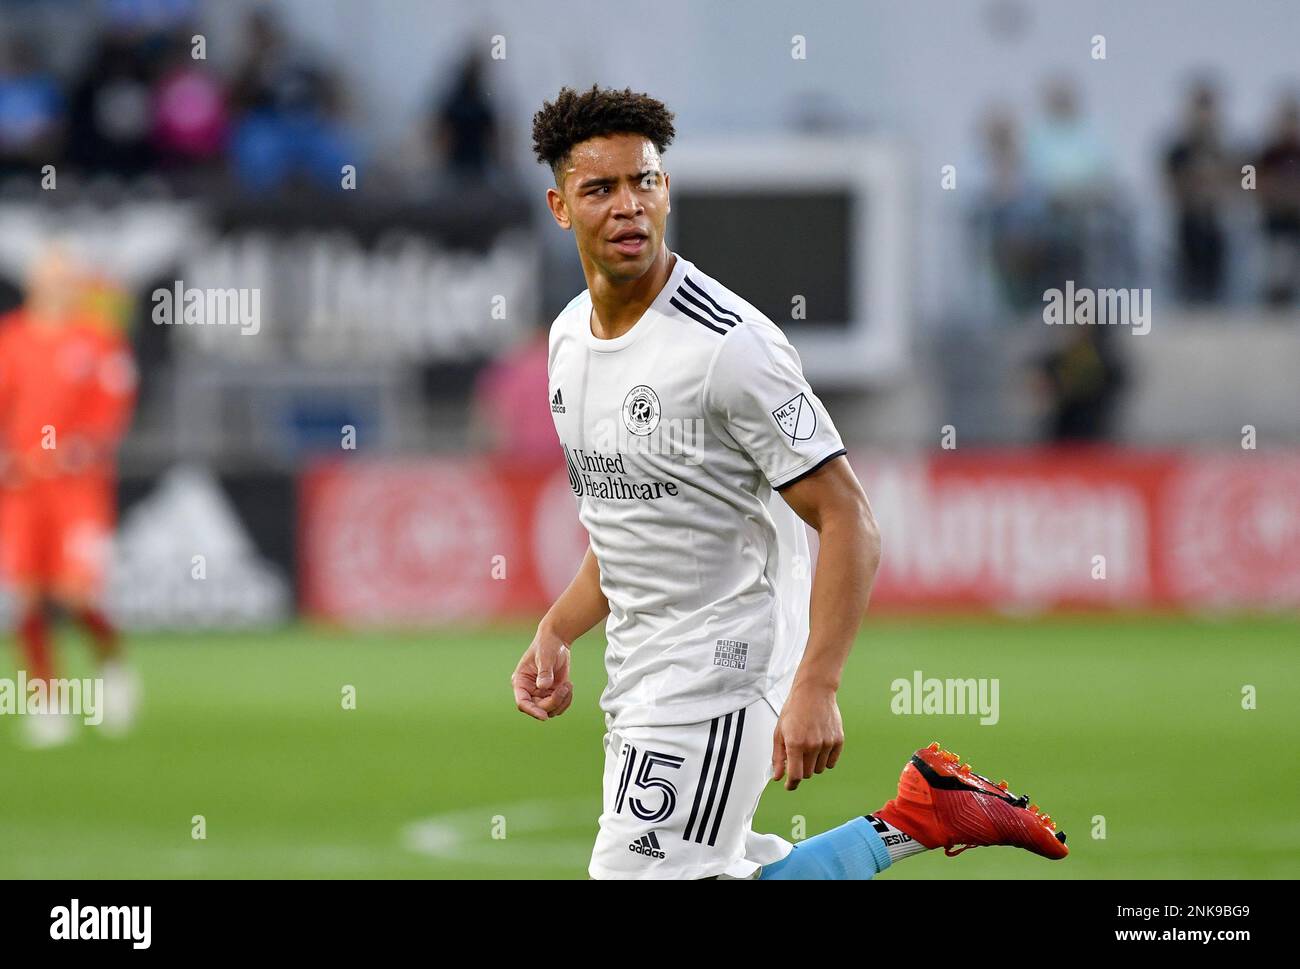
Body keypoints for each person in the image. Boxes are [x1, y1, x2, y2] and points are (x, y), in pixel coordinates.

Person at [513, 85, 1068, 879]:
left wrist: (817, 683)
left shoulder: (730, 347)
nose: (629, 205)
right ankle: (922, 813)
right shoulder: (568, 340)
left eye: (645, 181)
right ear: (561, 206)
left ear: (666, 188)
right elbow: (632, 526)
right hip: (640, 673)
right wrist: (558, 629)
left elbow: (849, 518)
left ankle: (917, 817)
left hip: (723, 664)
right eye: (601, 189)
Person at [0, 246, 139, 747]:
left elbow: (112, 411)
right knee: (27, 598)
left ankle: (112, 666)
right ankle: (47, 703)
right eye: (50, 277)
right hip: (22, 491)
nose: (60, 286)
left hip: (78, 490)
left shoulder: (99, 341)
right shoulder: (11, 339)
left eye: (67, 278)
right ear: (34, 283)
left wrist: (79, 450)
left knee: (76, 593)